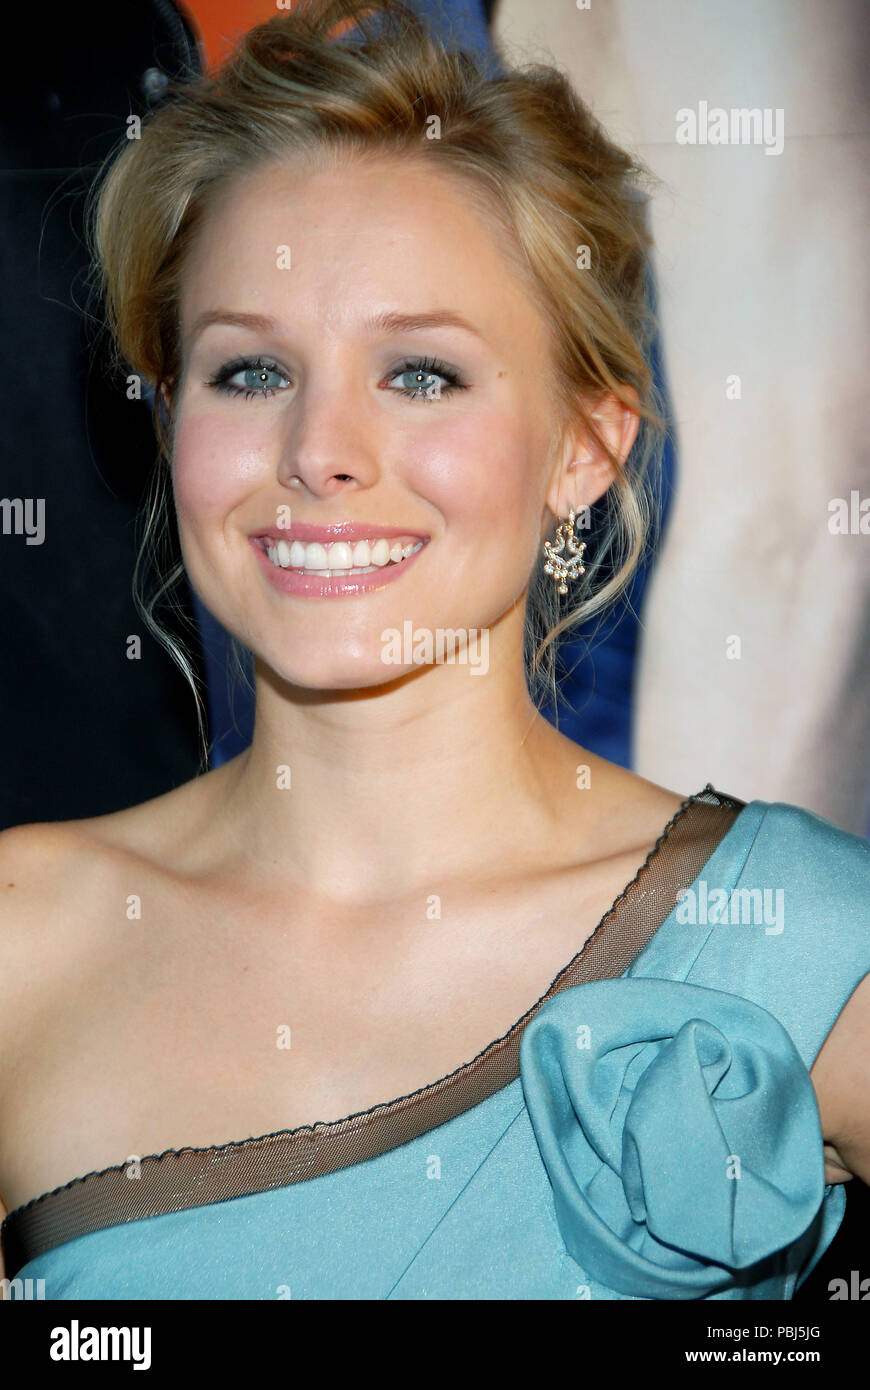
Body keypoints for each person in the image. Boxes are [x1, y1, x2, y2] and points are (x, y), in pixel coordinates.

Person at [0, 0, 867, 1300]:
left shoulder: (812, 938)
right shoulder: (26, 940)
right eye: (247, 373)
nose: (318, 452)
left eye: (420, 373)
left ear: (586, 446)